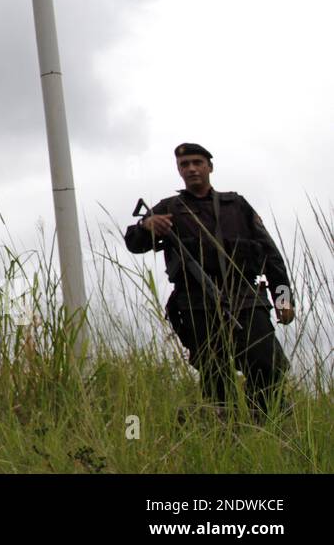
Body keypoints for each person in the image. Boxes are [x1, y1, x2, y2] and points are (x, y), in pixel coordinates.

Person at [125, 142, 294, 418]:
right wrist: (147, 225)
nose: (191, 169)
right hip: (196, 304)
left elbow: (271, 255)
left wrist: (284, 300)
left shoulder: (236, 205)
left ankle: (266, 424)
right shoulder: (169, 208)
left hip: (246, 299)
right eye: (184, 164)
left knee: (268, 363)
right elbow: (134, 242)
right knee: (216, 375)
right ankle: (224, 434)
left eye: (197, 163)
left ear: (210, 167)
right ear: (179, 170)